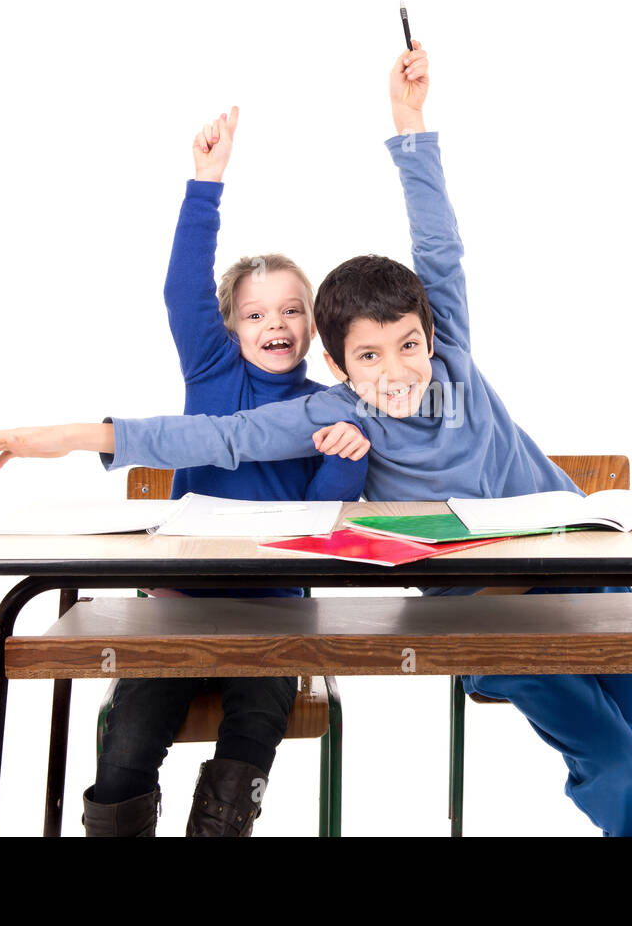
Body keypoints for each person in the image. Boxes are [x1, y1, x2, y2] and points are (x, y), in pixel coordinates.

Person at [0, 44, 632, 836]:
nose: (396, 369)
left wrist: (410, 124)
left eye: (408, 344)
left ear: (432, 333)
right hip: (484, 615)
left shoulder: (455, 354)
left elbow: (439, 246)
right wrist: (56, 436)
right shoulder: (334, 414)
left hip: (576, 576)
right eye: (368, 356)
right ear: (335, 364)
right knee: (612, 752)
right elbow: (217, 436)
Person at [83, 107, 369, 837]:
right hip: (178, 601)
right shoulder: (212, 374)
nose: (275, 323)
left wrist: (342, 461)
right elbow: (183, 289)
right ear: (229, 327)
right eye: (254, 314)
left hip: (272, 609)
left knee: (257, 716)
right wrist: (205, 183)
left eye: (292, 310)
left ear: (315, 325)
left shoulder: (328, 404)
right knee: (131, 732)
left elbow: (324, 524)